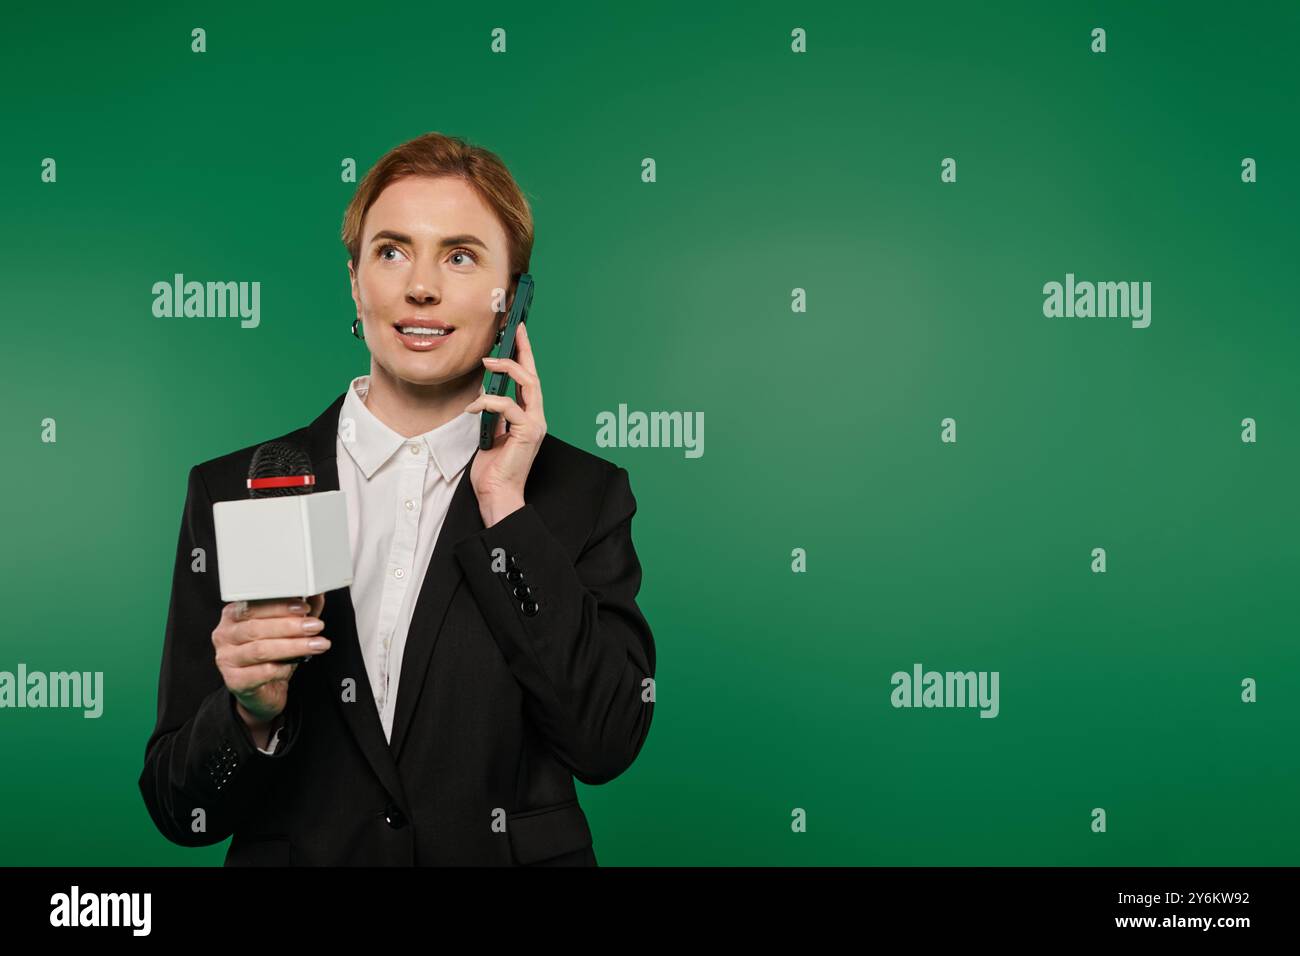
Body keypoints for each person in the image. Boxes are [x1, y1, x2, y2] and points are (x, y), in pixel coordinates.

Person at [138, 132, 656, 865]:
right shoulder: (234, 490)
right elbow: (180, 807)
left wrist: (506, 509)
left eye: (460, 255)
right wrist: (248, 714)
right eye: (391, 250)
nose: (421, 286)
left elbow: (605, 741)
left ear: (515, 298)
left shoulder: (582, 497)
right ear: (355, 282)